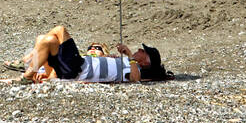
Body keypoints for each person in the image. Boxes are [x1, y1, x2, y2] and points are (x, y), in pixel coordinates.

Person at [21, 24, 166, 83]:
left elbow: (134, 80)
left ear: (146, 63)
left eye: (143, 52)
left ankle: (27, 75)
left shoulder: (135, 70)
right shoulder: (125, 62)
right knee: (44, 39)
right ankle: (44, 71)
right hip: (77, 66)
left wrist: (129, 55)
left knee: (60, 29)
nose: (139, 50)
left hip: (79, 69)